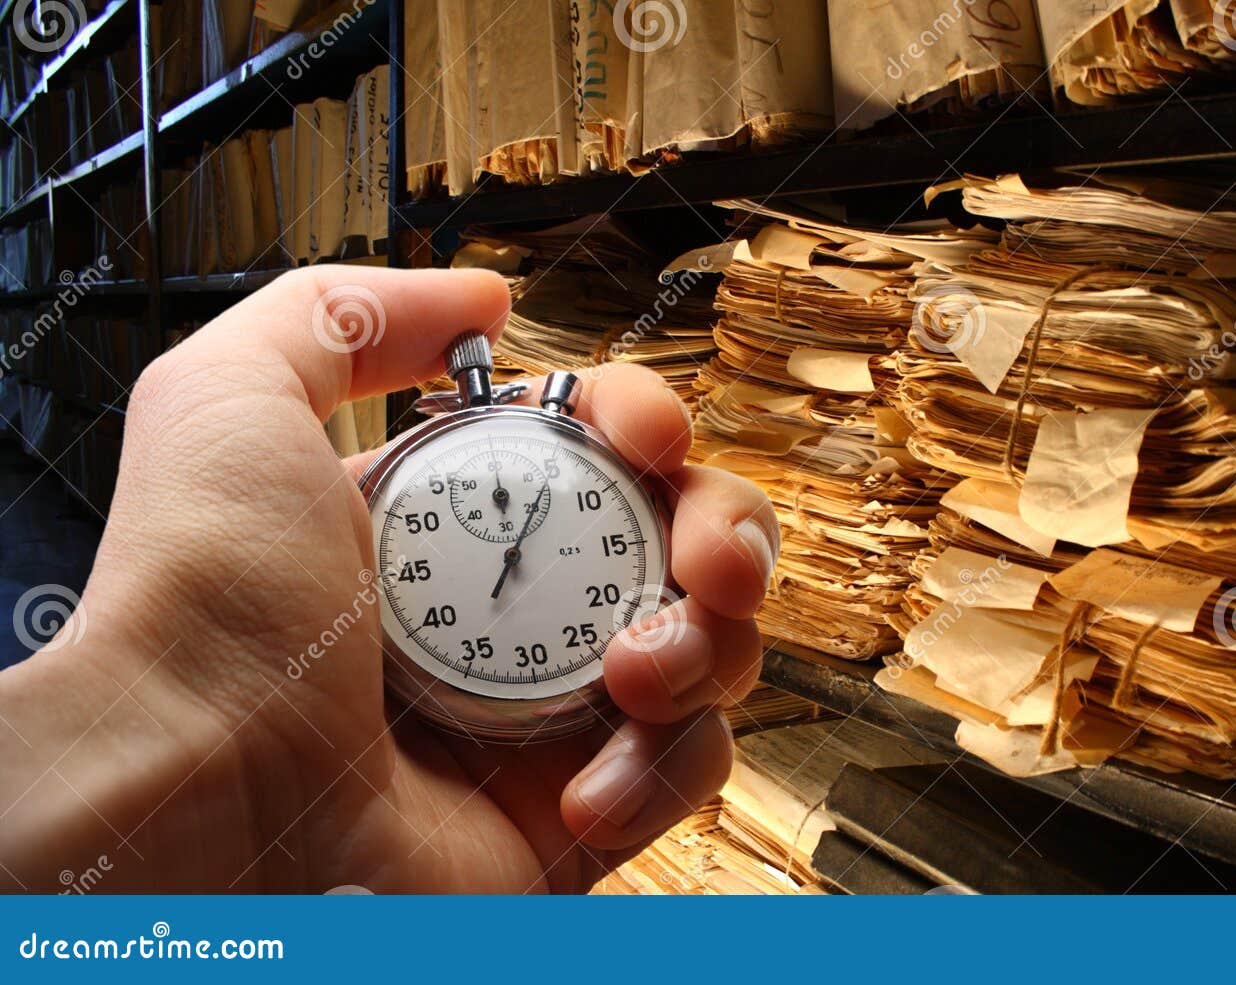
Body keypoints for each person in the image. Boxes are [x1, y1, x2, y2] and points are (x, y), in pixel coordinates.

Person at [0, 267, 780, 893]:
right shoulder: (394, 505)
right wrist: (196, 699)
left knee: (674, 585)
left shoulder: (574, 475)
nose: (510, 549)